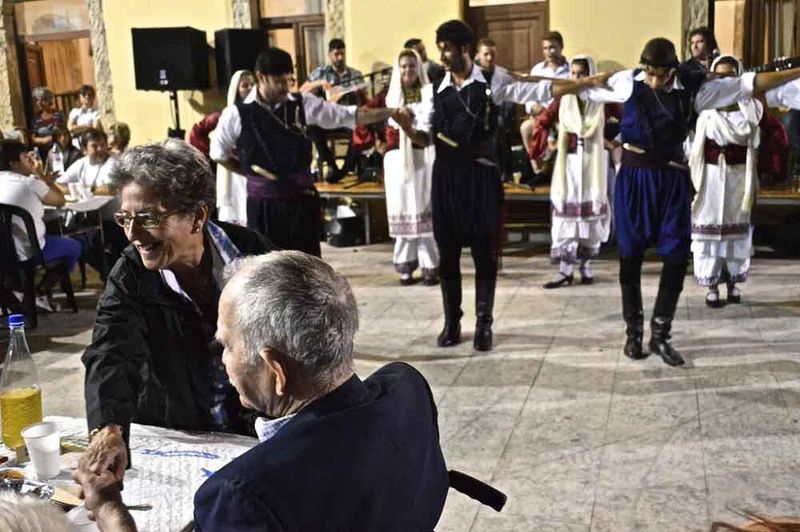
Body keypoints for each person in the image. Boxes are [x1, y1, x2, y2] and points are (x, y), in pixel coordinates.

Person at [74, 251, 449, 532]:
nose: (223, 360)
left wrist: (109, 507)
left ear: (276, 371)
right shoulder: (406, 388)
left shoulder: (244, 495)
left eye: (228, 345)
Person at [583, 37, 800, 367]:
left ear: (672, 72)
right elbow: (585, 88)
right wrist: (581, 81)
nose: (653, 81)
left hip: (671, 179)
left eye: (660, 75)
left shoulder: (695, 92)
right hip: (634, 178)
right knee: (630, 256)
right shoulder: (630, 82)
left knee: (675, 255)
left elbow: (750, 83)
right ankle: (633, 333)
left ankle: (660, 334)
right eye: (648, 73)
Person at [80, 140, 276, 474]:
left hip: (253, 432)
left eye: (147, 217)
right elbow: (111, 350)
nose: (133, 234)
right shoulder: (131, 274)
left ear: (197, 216)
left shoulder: (252, 255)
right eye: (125, 218)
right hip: (180, 437)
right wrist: (108, 426)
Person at [429, 20, 608, 352]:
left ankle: (484, 323)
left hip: (481, 179)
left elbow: (540, 90)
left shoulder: (494, 81)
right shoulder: (435, 85)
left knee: (484, 255)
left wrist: (582, 83)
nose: (441, 55)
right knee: (448, 255)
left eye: (446, 48)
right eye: (439, 47)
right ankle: (451, 321)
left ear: (464, 50)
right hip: (446, 180)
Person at [211, 47, 399, 257]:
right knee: (268, 269)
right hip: (264, 207)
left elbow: (347, 115)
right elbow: (218, 153)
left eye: (288, 80)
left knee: (307, 267)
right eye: (279, 82)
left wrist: (392, 112)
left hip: (301, 202)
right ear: (261, 77)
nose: (286, 86)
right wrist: (250, 175)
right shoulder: (236, 114)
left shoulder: (302, 104)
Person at [689, 55, 800, 307]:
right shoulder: (704, 108)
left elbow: (775, 138)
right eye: (720, 76)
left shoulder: (753, 109)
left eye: (730, 76)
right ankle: (712, 286)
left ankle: (732, 283)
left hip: (740, 176)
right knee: (710, 234)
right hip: (710, 178)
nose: (725, 82)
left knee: (736, 233)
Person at [529, 56, 620, 288]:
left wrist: (615, 140)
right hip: (569, 163)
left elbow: (626, 118)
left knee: (590, 211)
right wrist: (544, 144)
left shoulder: (601, 98)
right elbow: (542, 122)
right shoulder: (564, 97)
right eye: (572, 73)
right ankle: (564, 270)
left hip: (593, 161)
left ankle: (586, 266)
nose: (576, 78)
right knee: (567, 212)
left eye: (580, 74)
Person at [383, 48, 439, 285]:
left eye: (412, 66)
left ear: (419, 68)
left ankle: (430, 265)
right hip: (397, 161)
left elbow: (427, 126)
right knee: (402, 208)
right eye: (403, 66)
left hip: (421, 157)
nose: (408, 70)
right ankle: (405, 266)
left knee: (423, 208)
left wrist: (409, 123)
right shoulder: (391, 96)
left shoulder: (428, 94)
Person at [0, 139, 81, 275]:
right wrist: (40, 174)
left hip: (4, 252)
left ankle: (22, 288)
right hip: (30, 253)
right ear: (13, 164)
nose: (31, 159)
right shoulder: (30, 183)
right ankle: (44, 288)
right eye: (25, 157)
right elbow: (60, 200)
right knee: (75, 246)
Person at [189, 70, 255, 226]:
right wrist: (223, 153)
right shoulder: (227, 115)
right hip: (234, 171)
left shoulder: (262, 114)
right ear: (236, 89)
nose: (250, 88)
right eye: (245, 85)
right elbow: (196, 133)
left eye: (253, 85)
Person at [304, 38, 367, 183]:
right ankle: (331, 164)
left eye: (342, 54)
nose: (340, 58)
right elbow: (303, 90)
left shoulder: (355, 74)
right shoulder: (321, 72)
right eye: (336, 54)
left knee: (361, 131)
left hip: (346, 117)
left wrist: (360, 93)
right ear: (330, 55)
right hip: (326, 117)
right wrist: (320, 83)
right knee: (312, 128)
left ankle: (345, 169)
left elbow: (365, 101)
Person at [519, 31, 570, 180]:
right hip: (540, 116)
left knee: (563, 131)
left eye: (553, 47)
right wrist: (532, 107)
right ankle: (538, 168)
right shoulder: (537, 70)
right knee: (526, 128)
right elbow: (528, 95)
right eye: (545, 48)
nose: (549, 52)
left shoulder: (570, 70)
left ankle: (561, 171)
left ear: (561, 47)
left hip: (562, 117)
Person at [475, 37, 516, 182]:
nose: (489, 58)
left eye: (492, 54)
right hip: (476, 116)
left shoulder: (504, 75)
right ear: (478, 55)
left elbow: (511, 99)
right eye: (486, 54)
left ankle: (505, 173)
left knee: (499, 128)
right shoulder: (470, 75)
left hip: (498, 114)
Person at [56, 128, 116, 195]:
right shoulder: (82, 163)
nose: (100, 149)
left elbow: (109, 189)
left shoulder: (114, 162)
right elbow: (57, 185)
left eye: (103, 145)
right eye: (94, 146)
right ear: (84, 150)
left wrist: (79, 190)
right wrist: (82, 191)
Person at [30, 87, 66, 158]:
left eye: (43, 100)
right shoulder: (36, 119)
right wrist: (44, 140)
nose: (39, 103)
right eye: (37, 100)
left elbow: (65, 131)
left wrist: (53, 138)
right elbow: (33, 138)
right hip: (43, 151)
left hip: (59, 147)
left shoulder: (59, 115)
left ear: (49, 101)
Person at [68, 84, 103, 148]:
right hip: (76, 145)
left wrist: (78, 128)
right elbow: (71, 128)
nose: (87, 97)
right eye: (84, 94)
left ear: (93, 97)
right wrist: (88, 126)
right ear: (80, 97)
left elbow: (95, 129)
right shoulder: (74, 112)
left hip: (89, 144)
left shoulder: (96, 113)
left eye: (89, 95)